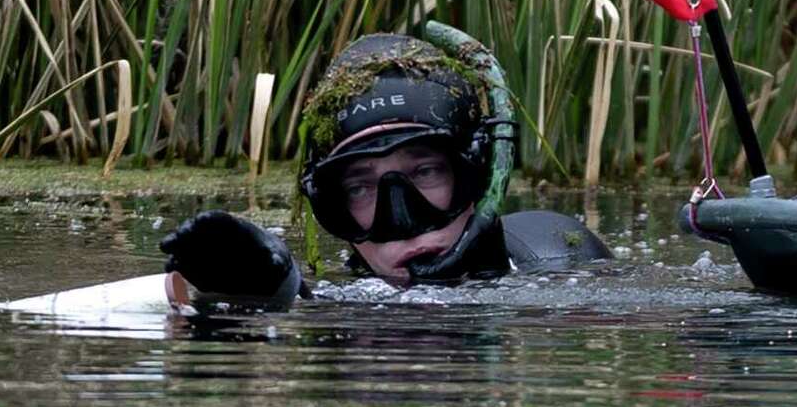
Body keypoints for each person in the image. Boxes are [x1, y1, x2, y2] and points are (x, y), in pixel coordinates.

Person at [151, 24, 610, 311]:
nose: (401, 219)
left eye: (426, 172)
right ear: (330, 209)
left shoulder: (559, 258)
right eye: (359, 188)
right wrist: (265, 292)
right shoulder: (338, 302)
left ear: (478, 174)